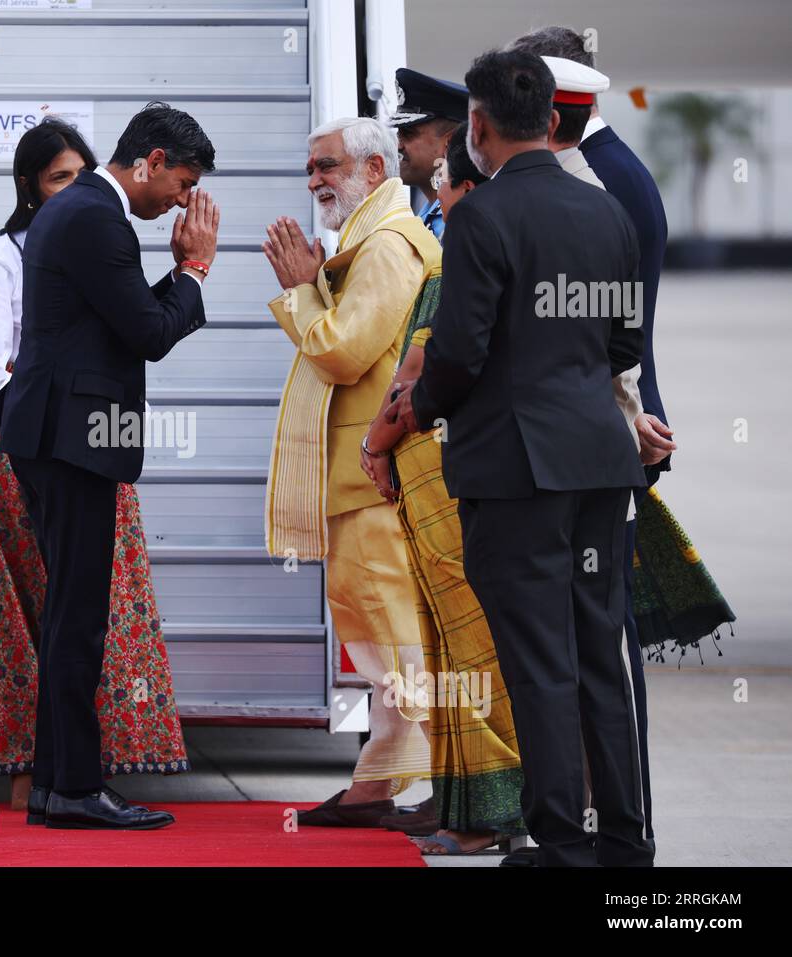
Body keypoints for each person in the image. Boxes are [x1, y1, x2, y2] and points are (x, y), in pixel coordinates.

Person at [384, 49, 653, 867]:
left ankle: (563, 846)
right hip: (601, 464)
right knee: (597, 655)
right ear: (552, 119)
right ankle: (624, 846)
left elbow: (459, 352)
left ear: (479, 124)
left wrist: (415, 412)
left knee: (540, 666)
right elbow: (621, 342)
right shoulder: (609, 215)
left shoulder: (482, 218)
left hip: (515, 472)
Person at [0, 102, 217, 830]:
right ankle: (75, 787)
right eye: (181, 182)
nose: (183, 200)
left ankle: (62, 784)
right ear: (150, 160)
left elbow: (122, 322)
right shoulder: (97, 216)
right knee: (79, 618)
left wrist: (177, 278)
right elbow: (151, 334)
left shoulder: (86, 209)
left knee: (70, 614)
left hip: (57, 434)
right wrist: (193, 269)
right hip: (71, 439)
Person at [510, 25, 676, 864]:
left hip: (603, 436)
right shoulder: (599, 171)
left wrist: (629, 423)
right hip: (597, 431)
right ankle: (598, 825)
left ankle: (619, 828)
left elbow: (616, 336)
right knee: (584, 644)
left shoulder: (604, 178)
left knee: (603, 650)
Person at [261, 117, 441, 829]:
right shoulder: (372, 240)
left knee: (395, 638)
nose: (314, 181)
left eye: (327, 165)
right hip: (362, 477)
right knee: (378, 634)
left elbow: (341, 352)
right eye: (310, 167)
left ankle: (450, 787)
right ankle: (378, 785)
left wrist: (305, 289)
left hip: (375, 479)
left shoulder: (389, 246)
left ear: (373, 170)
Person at [360, 123, 527, 855]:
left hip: (448, 478)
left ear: (465, 187)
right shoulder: (499, 249)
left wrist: (378, 440)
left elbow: (421, 371)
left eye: (446, 187)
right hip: (473, 478)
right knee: (471, 650)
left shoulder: (461, 256)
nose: (441, 199)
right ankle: (478, 813)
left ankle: (485, 816)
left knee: (471, 652)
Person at [388, 68, 469, 240]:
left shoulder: (465, 213)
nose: (397, 145)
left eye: (408, 133)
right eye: (397, 134)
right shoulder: (424, 217)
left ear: (450, 141)